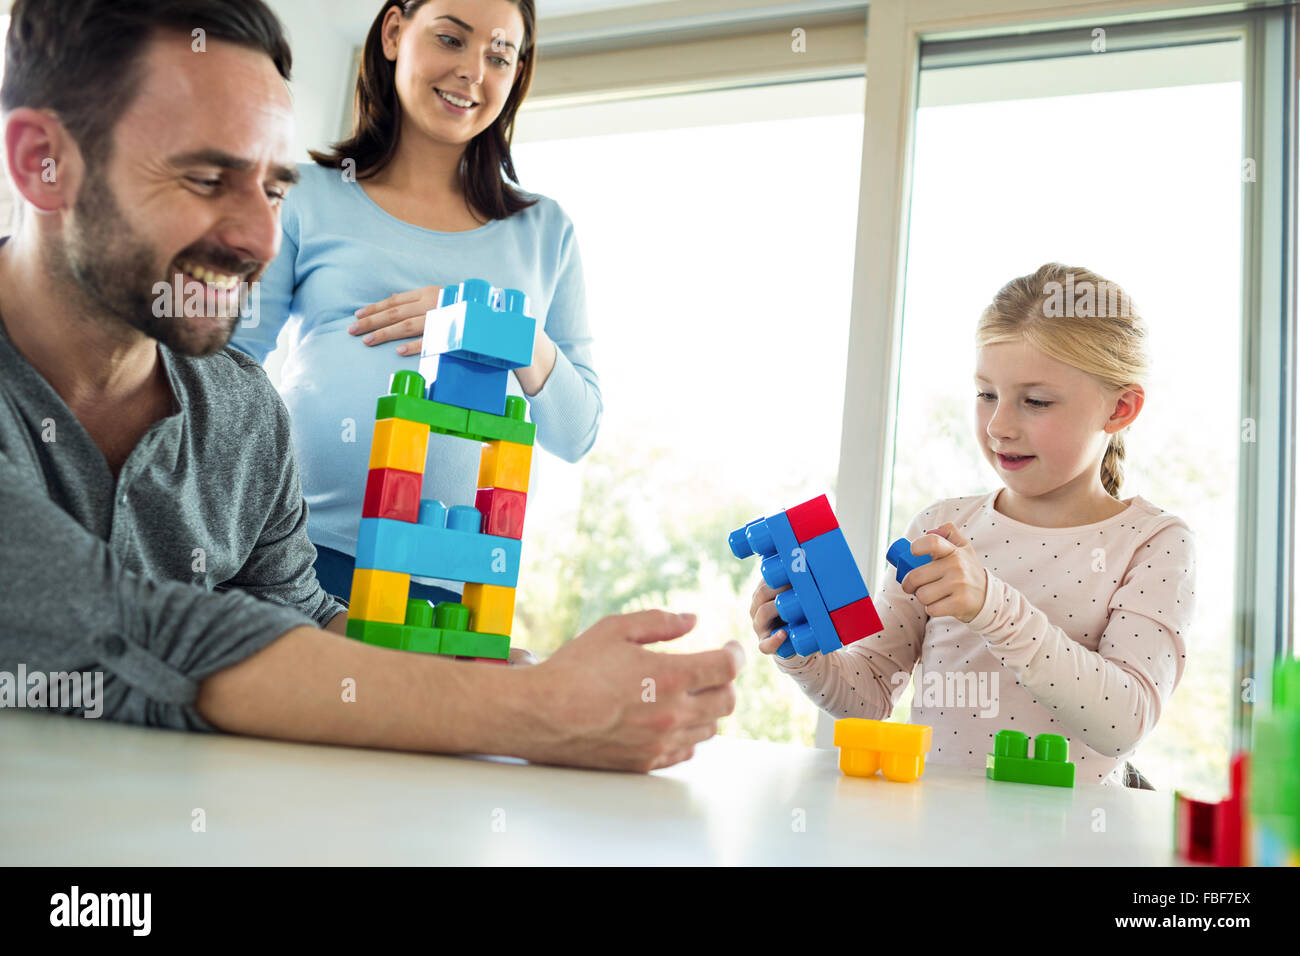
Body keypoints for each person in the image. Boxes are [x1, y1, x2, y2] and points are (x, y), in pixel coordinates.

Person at [0, 0, 740, 773]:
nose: (261, 239)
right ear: (40, 162)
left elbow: (302, 616)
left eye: (274, 189)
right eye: (206, 175)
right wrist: (540, 711)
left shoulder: (244, 415)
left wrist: (511, 676)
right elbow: (124, 625)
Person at [749, 264, 1196, 785]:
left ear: (1120, 408)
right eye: (986, 394)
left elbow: (1124, 722)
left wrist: (992, 606)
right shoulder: (942, 525)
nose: (999, 425)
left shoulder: (1153, 542)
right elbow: (868, 695)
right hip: (937, 838)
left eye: (1035, 401)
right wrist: (803, 650)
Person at [230, 0, 600, 607]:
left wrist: (493, 328)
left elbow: (576, 431)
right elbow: (227, 375)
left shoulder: (544, 231)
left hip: (452, 579)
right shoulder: (306, 194)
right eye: (451, 40)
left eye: (498, 55)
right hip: (292, 561)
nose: (473, 72)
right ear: (396, 32)